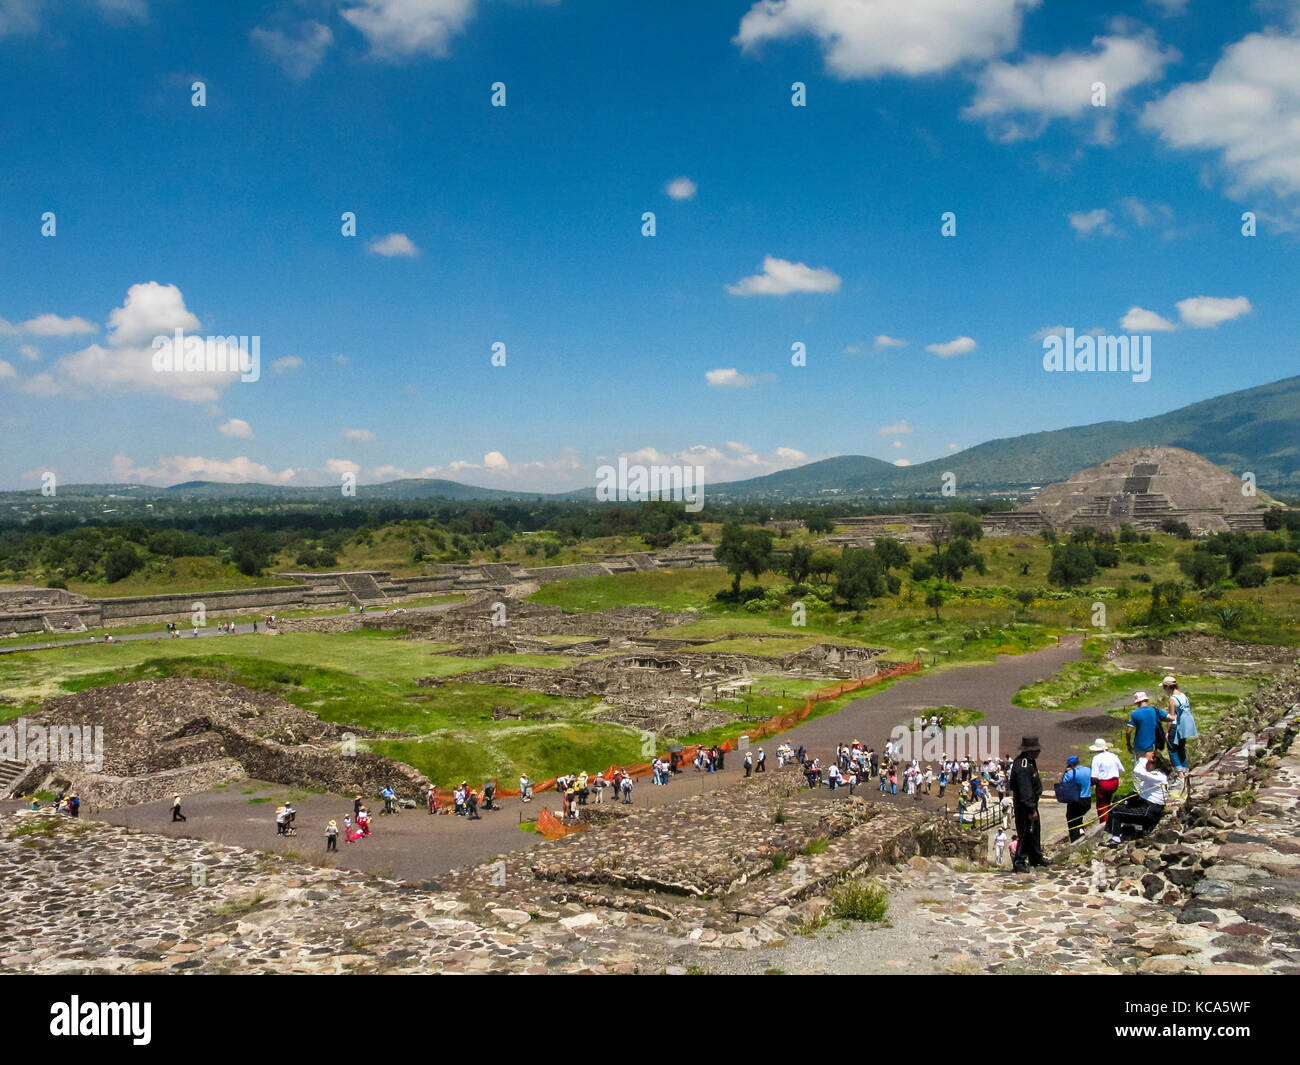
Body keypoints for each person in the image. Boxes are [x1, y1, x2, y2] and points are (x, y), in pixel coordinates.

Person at [1107, 751, 1168, 842]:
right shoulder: (1155, 775)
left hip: (1149, 810)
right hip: (1145, 804)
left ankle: (1115, 838)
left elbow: (1137, 771)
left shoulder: (1158, 776)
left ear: (1152, 763)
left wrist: (1144, 759)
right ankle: (1127, 828)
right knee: (1118, 799)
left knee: (1115, 810)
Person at [1009, 735, 1048, 872]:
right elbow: (1025, 790)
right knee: (1026, 832)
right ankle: (1020, 860)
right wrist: (1031, 809)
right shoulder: (1023, 766)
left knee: (1034, 832)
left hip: (1031, 802)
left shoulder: (1029, 762)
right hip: (1025, 805)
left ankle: (1036, 857)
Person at [1162, 676, 1197, 776]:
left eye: (1164, 687)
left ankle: (1180, 773)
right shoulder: (1184, 696)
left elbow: (1171, 717)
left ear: (1168, 687)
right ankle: (1185, 770)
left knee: (1172, 749)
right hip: (1184, 726)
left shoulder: (1172, 699)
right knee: (1181, 748)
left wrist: (1167, 731)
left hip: (1175, 726)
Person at [1088, 739, 1124, 827]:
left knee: (1101, 805)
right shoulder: (1114, 756)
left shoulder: (1096, 758)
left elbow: (1094, 776)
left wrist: (1090, 785)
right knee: (1108, 802)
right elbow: (1121, 769)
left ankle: (1104, 824)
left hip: (1104, 783)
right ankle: (1110, 820)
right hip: (1114, 781)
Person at [1125, 691, 1170, 759]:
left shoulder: (1134, 714)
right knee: (1151, 765)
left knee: (1139, 766)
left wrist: (1128, 744)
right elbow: (1171, 718)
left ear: (1137, 702)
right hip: (1152, 745)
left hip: (1139, 746)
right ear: (1147, 700)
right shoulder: (1155, 711)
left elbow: (1128, 732)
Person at [1059, 756, 1092, 842]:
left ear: (1070, 764)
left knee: (1072, 820)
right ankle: (1081, 831)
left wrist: (1066, 772)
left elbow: (1062, 784)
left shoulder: (1071, 773)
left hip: (1076, 800)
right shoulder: (1088, 770)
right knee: (1079, 817)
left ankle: (1075, 839)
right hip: (1087, 799)